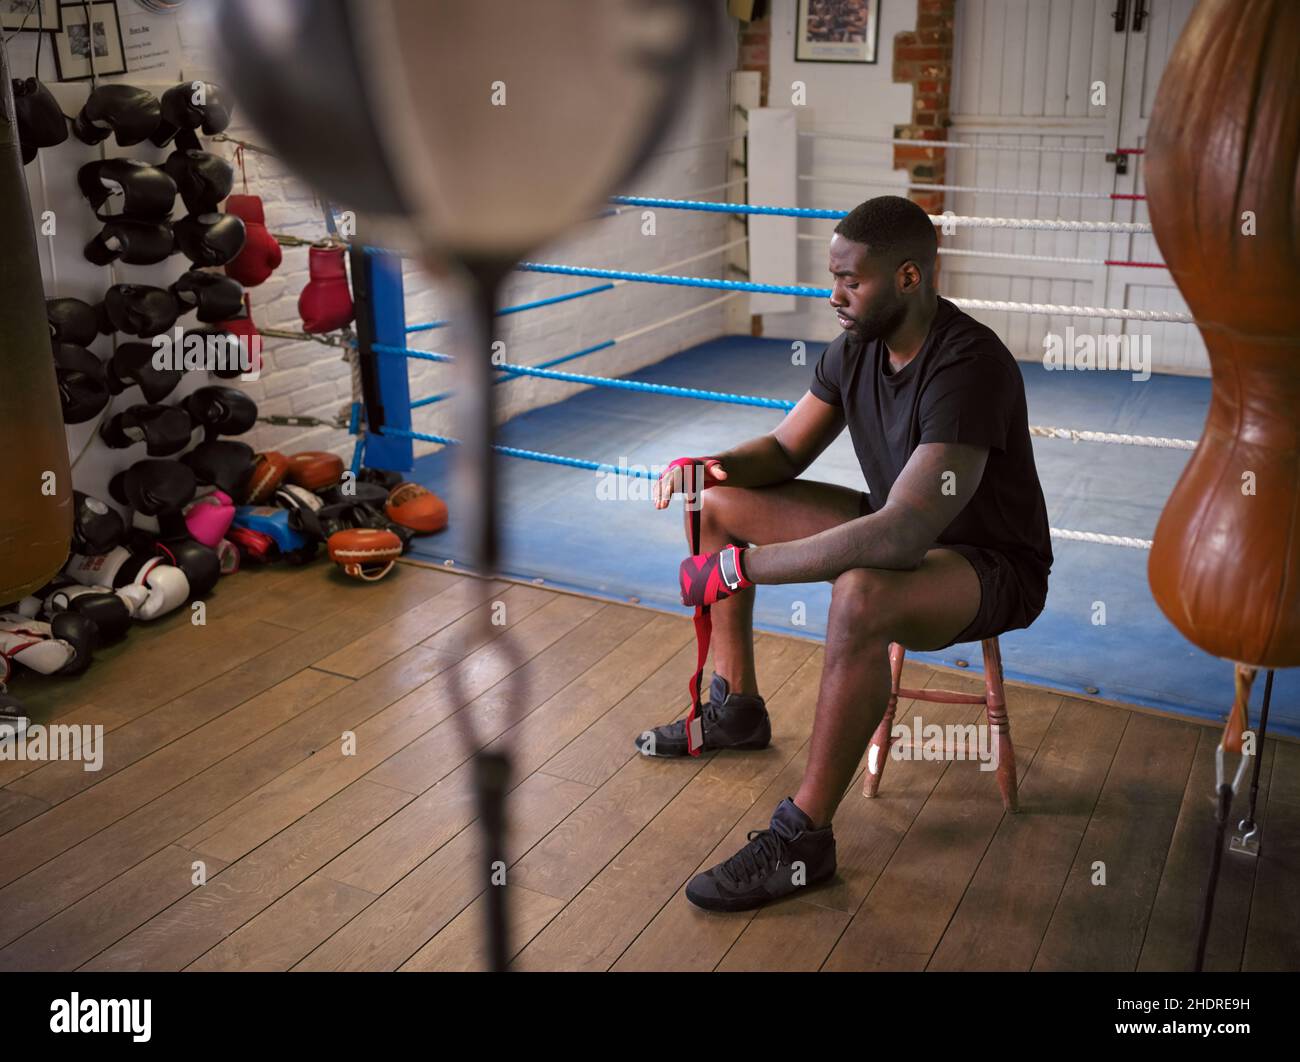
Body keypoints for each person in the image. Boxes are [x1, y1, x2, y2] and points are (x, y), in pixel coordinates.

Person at [644, 195, 1052, 912]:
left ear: (908, 277)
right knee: (716, 501)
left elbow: (901, 536)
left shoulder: (969, 366)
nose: (833, 295)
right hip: (899, 522)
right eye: (832, 277)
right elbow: (782, 449)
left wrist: (743, 567)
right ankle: (736, 709)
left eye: (850, 281)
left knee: (862, 591)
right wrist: (709, 465)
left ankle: (805, 838)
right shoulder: (856, 346)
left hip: (986, 563)